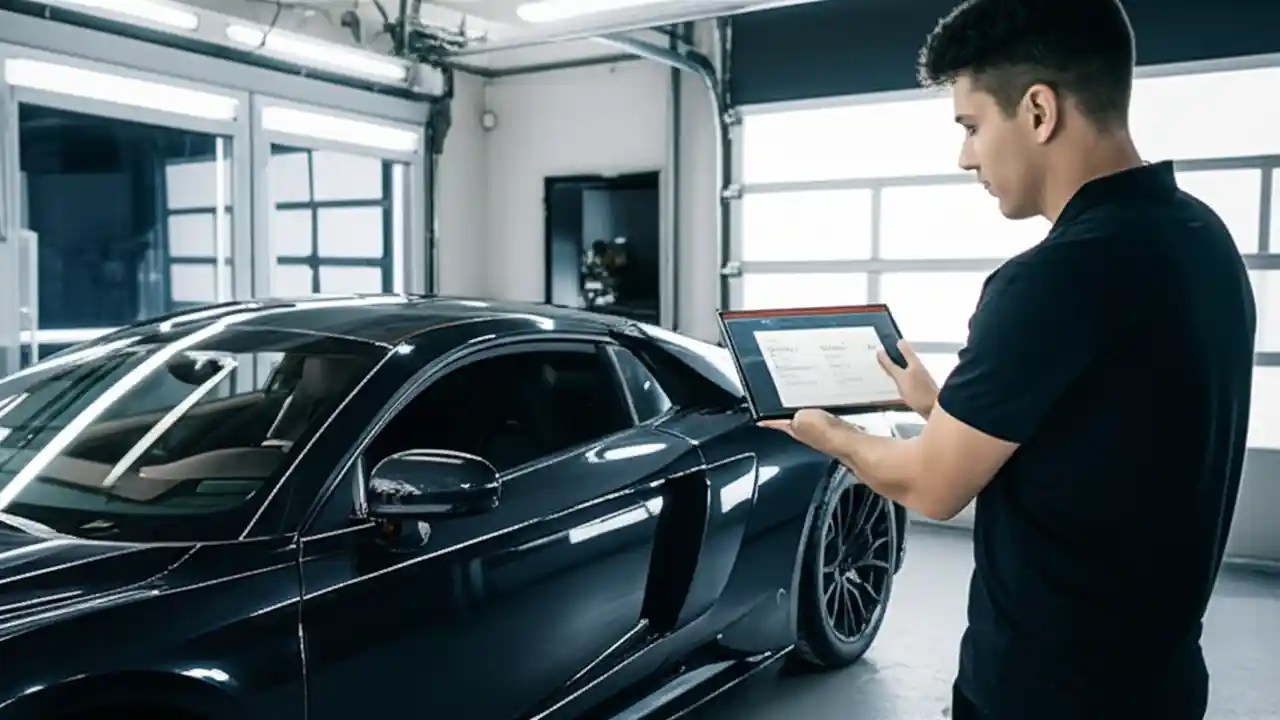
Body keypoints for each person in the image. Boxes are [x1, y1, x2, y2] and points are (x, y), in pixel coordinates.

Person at [758, 1, 1257, 718]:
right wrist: (938, 406)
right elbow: (1104, 433)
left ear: (1038, 110)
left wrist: (824, 432)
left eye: (970, 125)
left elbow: (933, 487)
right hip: (1161, 681)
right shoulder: (1199, 236)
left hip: (1045, 691)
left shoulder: (1053, 277)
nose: (965, 156)